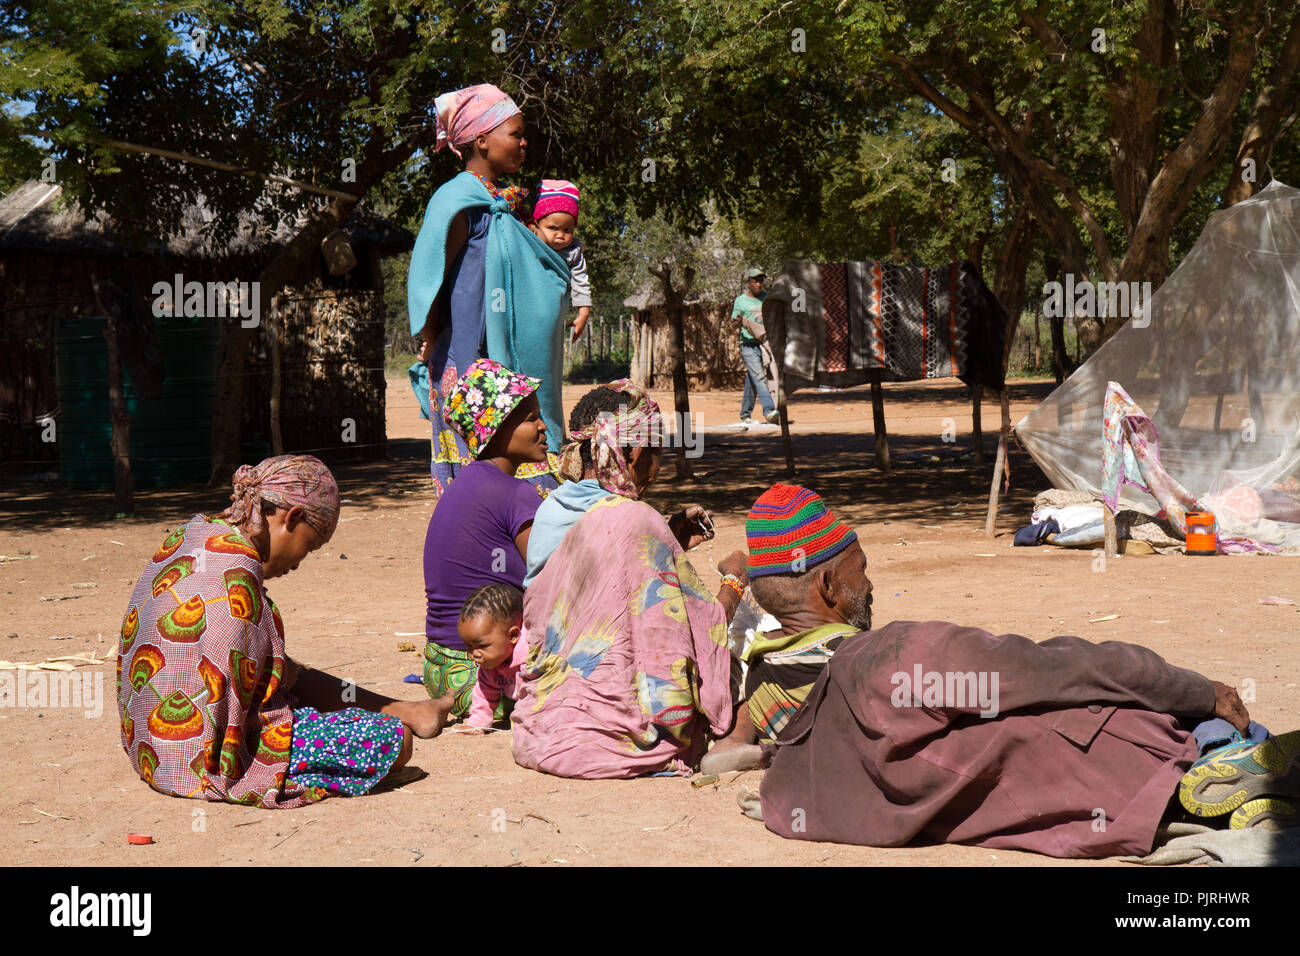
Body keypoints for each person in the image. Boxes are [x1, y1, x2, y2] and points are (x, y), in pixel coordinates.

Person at [734, 486, 1300, 855]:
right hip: (1126, 769)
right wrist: (1200, 689)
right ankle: (1221, 759)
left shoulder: (771, 708)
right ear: (828, 586)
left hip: (1062, 821)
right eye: (861, 570)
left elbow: (734, 749)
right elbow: (1063, 666)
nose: (872, 584)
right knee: (1168, 717)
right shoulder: (890, 657)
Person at [117, 455, 452, 809]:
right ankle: (404, 716)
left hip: (150, 752)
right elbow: (284, 681)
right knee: (391, 741)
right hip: (204, 762)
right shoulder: (239, 578)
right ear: (291, 518)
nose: (297, 564)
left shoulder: (194, 534)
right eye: (308, 547)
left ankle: (409, 709)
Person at [511, 381, 753, 778]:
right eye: (658, 454)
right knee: (753, 673)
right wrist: (735, 581)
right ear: (636, 452)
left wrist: (668, 541)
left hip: (540, 727)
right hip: (613, 737)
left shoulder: (552, 509)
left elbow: (600, 594)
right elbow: (700, 632)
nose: (658, 470)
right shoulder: (637, 520)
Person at [407, 83, 570, 502]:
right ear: (482, 140)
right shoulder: (457, 203)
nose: (523, 142)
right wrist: (429, 338)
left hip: (509, 370)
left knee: (529, 488)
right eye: (514, 133)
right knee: (487, 487)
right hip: (471, 372)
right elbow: (431, 277)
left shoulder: (503, 205)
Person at [421, 358, 549, 720]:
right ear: (496, 428)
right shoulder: (516, 493)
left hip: (439, 669)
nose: (543, 428)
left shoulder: (462, 484)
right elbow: (551, 578)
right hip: (486, 677)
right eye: (530, 419)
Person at [527, 179, 592, 344]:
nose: (560, 235)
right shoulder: (528, 243)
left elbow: (581, 281)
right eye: (553, 228)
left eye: (567, 230)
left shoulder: (573, 253)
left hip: (553, 313)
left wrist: (583, 312)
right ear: (536, 225)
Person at [459, 583, 528, 729]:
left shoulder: (533, 659)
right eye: (469, 646)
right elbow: (485, 692)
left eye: (482, 646)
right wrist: (477, 723)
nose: (474, 654)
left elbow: (541, 696)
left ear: (513, 635)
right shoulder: (492, 661)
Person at [732, 267, 778, 426]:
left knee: (753, 379)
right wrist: (738, 323)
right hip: (749, 345)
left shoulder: (767, 298)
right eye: (755, 281)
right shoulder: (741, 301)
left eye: (761, 280)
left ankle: (745, 414)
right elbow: (732, 325)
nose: (759, 284)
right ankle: (769, 410)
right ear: (748, 283)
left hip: (765, 344)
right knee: (759, 377)